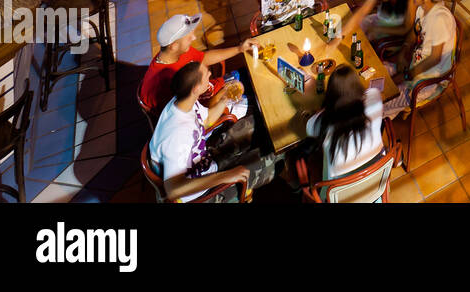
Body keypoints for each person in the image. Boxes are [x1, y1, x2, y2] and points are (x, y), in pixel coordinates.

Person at [148, 61, 275, 202]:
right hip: (199, 190)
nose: (210, 73)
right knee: (269, 163)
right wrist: (226, 176)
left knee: (254, 124)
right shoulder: (177, 134)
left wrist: (225, 97)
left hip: (204, 159)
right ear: (196, 88)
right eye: (206, 75)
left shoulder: (183, 101)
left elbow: (207, 119)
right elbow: (173, 189)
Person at [139, 13, 256, 116]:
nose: (194, 37)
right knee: (260, 102)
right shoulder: (163, 85)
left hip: (213, 89)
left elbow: (204, 58)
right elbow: (195, 116)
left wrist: (239, 49)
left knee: (253, 74)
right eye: (189, 36)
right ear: (173, 45)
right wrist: (224, 94)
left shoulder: (176, 53)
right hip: (209, 109)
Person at [383, 0, 457, 119]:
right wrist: (405, 51)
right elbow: (412, 32)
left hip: (429, 79)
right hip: (414, 65)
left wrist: (406, 75)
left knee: (380, 102)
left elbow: (435, 58)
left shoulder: (439, 19)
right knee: (379, 73)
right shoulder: (422, 9)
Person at [305, 66, 385, 179]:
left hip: (338, 194)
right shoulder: (374, 98)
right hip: (376, 180)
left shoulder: (323, 120)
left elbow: (309, 128)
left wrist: (323, 109)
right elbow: (371, 93)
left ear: (331, 94)